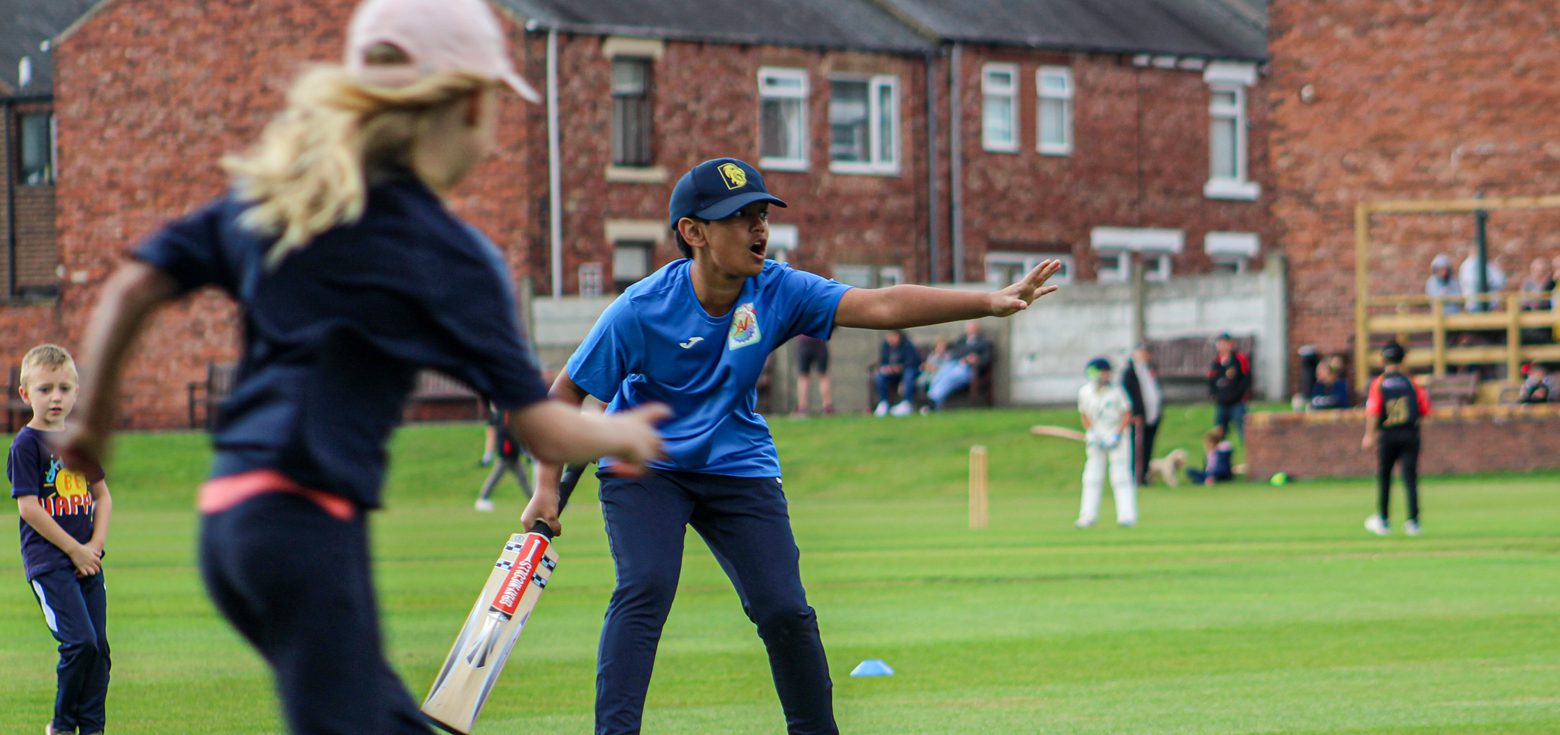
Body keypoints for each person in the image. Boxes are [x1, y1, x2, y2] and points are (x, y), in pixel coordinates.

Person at [55, 2, 667, 732]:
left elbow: (132, 285)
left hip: (232, 522)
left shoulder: (285, 199)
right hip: (304, 529)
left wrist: (93, 423)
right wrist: (625, 437)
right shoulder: (454, 256)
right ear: (470, 102)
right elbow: (545, 428)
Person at [523, 156, 1063, 735]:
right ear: (694, 232)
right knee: (646, 588)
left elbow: (879, 304)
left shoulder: (778, 288)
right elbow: (564, 395)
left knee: (784, 610)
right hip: (646, 467)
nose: (759, 229)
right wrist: (545, 490)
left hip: (737, 464)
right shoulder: (639, 309)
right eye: (739, 218)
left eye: (761, 214)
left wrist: (987, 302)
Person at [9, 345, 113, 735]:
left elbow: (102, 496)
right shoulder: (26, 446)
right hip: (51, 565)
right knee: (79, 644)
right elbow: (30, 509)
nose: (56, 397)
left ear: (76, 392)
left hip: (88, 560)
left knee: (99, 651)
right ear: (26, 395)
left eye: (65, 388)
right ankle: (63, 726)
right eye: (46, 388)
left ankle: (92, 728)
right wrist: (74, 550)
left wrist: (95, 547)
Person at [1362, 342, 1431, 537]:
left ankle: (1383, 520)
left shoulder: (1379, 383)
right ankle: (1413, 522)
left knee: (1385, 477)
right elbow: (1423, 410)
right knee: (1410, 478)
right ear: (1404, 359)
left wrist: (1369, 435)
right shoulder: (1412, 383)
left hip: (1388, 435)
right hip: (1410, 433)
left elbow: (1373, 411)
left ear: (1383, 360)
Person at [1076, 357, 1136, 528]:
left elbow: (1126, 414)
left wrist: (1116, 435)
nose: (1107, 375)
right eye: (1104, 372)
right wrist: (1092, 433)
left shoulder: (1116, 391)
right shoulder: (1085, 392)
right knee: (1091, 477)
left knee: (1121, 477)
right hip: (1096, 439)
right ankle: (1087, 516)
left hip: (1117, 438)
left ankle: (1127, 516)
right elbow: (1084, 414)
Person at [1120, 343, 1163, 487]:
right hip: (1139, 417)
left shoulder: (1150, 369)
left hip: (1152, 415)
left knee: (1148, 447)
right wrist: (1135, 413)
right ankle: (1135, 477)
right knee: (1137, 448)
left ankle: (1145, 475)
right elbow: (1127, 396)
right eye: (1142, 352)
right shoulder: (1130, 372)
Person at [474, 406, 532, 511]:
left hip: (513, 455)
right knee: (497, 477)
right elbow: (501, 436)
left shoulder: (510, 416)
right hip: (506, 455)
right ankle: (482, 498)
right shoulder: (502, 416)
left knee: (522, 478)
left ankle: (533, 501)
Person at [926, 320, 994, 410]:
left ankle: (934, 399)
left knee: (951, 376)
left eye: (973, 328)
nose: (971, 330)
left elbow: (986, 359)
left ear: (978, 329)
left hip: (968, 369)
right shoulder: (961, 340)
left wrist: (975, 360)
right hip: (955, 364)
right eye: (969, 328)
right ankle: (932, 398)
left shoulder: (984, 343)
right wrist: (963, 358)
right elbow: (954, 353)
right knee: (941, 373)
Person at [1207, 332, 1252, 443]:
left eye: (1224, 343)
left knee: (1244, 432)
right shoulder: (1216, 362)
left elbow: (1246, 378)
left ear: (1231, 344)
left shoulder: (1239, 359)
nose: (1222, 346)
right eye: (1220, 344)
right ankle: (1220, 458)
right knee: (1219, 434)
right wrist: (1215, 395)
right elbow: (1211, 380)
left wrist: (1237, 393)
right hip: (1222, 403)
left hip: (1237, 402)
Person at [874, 329, 921, 416]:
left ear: (898, 336)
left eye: (892, 336)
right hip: (893, 374)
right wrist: (888, 368)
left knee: (908, 375)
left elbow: (912, 362)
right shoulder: (886, 346)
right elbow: (883, 361)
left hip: (907, 371)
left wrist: (899, 367)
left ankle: (907, 404)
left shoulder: (907, 345)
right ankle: (884, 403)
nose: (890, 339)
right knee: (880, 376)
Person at [793, 334, 832, 416]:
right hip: (819, 341)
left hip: (804, 342)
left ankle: (802, 408)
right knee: (823, 376)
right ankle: (827, 407)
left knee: (803, 377)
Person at [1459, 246, 1506, 313]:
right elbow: (1474, 283)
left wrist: (1490, 282)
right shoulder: (1467, 266)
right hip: (1474, 306)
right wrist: (1489, 282)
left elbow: (1500, 281)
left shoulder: (1489, 264)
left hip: (1492, 306)